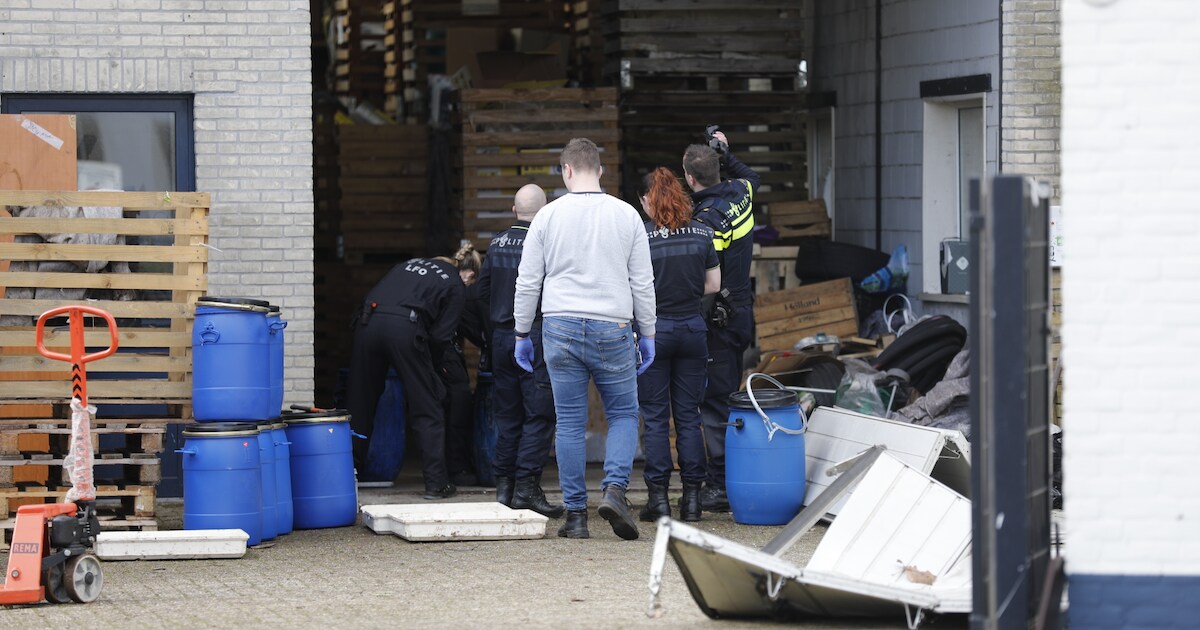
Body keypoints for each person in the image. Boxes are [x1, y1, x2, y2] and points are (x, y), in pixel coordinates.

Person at [513, 138, 657, 540]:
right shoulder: (626, 215)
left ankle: (576, 517)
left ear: (566, 171)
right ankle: (614, 489)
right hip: (612, 324)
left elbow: (528, 282)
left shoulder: (547, 216)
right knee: (625, 414)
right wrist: (648, 333)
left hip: (558, 324)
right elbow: (642, 283)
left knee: (571, 423)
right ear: (600, 170)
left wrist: (522, 332)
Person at [347, 243, 482, 500]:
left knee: (360, 401)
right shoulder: (455, 284)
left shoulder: (409, 264)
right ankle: (436, 483)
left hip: (367, 322)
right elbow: (441, 338)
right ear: (469, 275)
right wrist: (434, 373)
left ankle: (349, 474)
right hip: (404, 328)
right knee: (427, 406)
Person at [636, 167, 721, 523]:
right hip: (692, 329)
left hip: (654, 332)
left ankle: (657, 500)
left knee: (655, 418)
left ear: (647, 201)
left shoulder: (642, 238)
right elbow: (714, 284)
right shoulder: (703, 233)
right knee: (688, 417)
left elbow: (634, 286)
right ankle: (691, 500)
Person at [682, 130, 761, 512]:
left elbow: (705, 279)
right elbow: (752, 177)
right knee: (726, 395)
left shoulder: (709, 219)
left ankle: (720, 485)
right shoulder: (741, 193)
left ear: (690, 179)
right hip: (743, 310)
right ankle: (725, 479)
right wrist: (725, 154)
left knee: (716, 403)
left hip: (721, 318)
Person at [476, 183, 564, 518]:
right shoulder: (545, 241)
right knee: (539, 414)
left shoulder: (496, 243)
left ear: (514, 211)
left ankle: (504, 488)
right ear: (544, 212)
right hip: (535, 337)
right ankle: (526, 488)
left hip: (501, 338)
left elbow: (481, 293)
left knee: (508, 415)